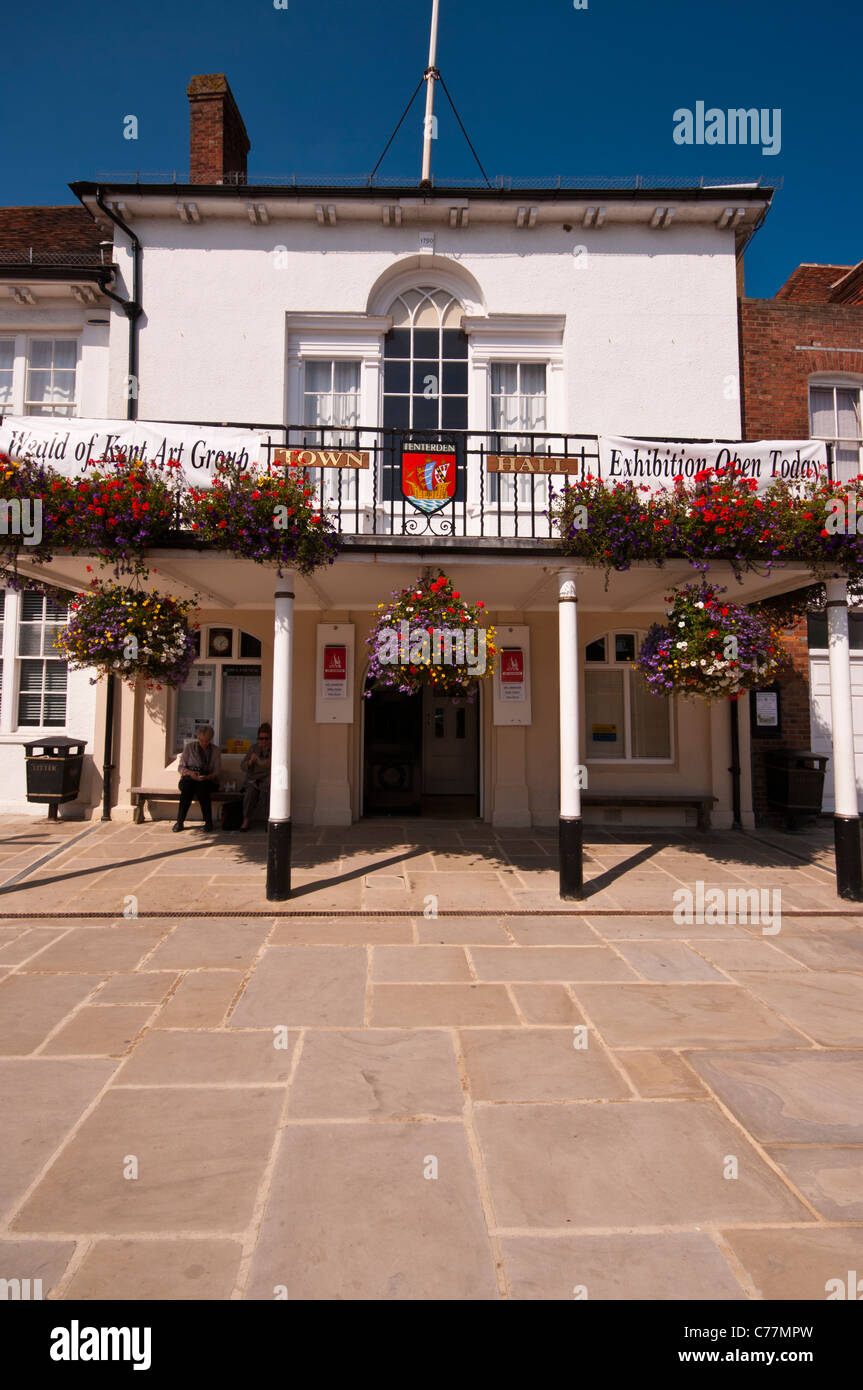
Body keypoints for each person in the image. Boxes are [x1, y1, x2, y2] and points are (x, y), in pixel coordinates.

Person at [174, 725, 221, 832]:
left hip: (208, 780)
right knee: (188, 787)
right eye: (201, 740)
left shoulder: (215, 750)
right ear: (198, 738)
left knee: (201, 786)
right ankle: (180, 821)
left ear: (210, 739)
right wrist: (190, 773)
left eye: (206, 741)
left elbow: (217, 772)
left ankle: (208, 821)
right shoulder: (190, 748)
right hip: (189, 780)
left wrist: (205, 777)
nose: (203, 743)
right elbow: (181, 767)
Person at [239, 722, 272, 831]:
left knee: (267, 792)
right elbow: (243, 766)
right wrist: (250, 761)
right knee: (250, 793)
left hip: (267, 778)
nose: (263, 741)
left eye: (266, 739)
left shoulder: (275, 749)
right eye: (261, 738)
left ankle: (269, 820)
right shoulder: (254, 748)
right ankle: (246, 820)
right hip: (253, 779)